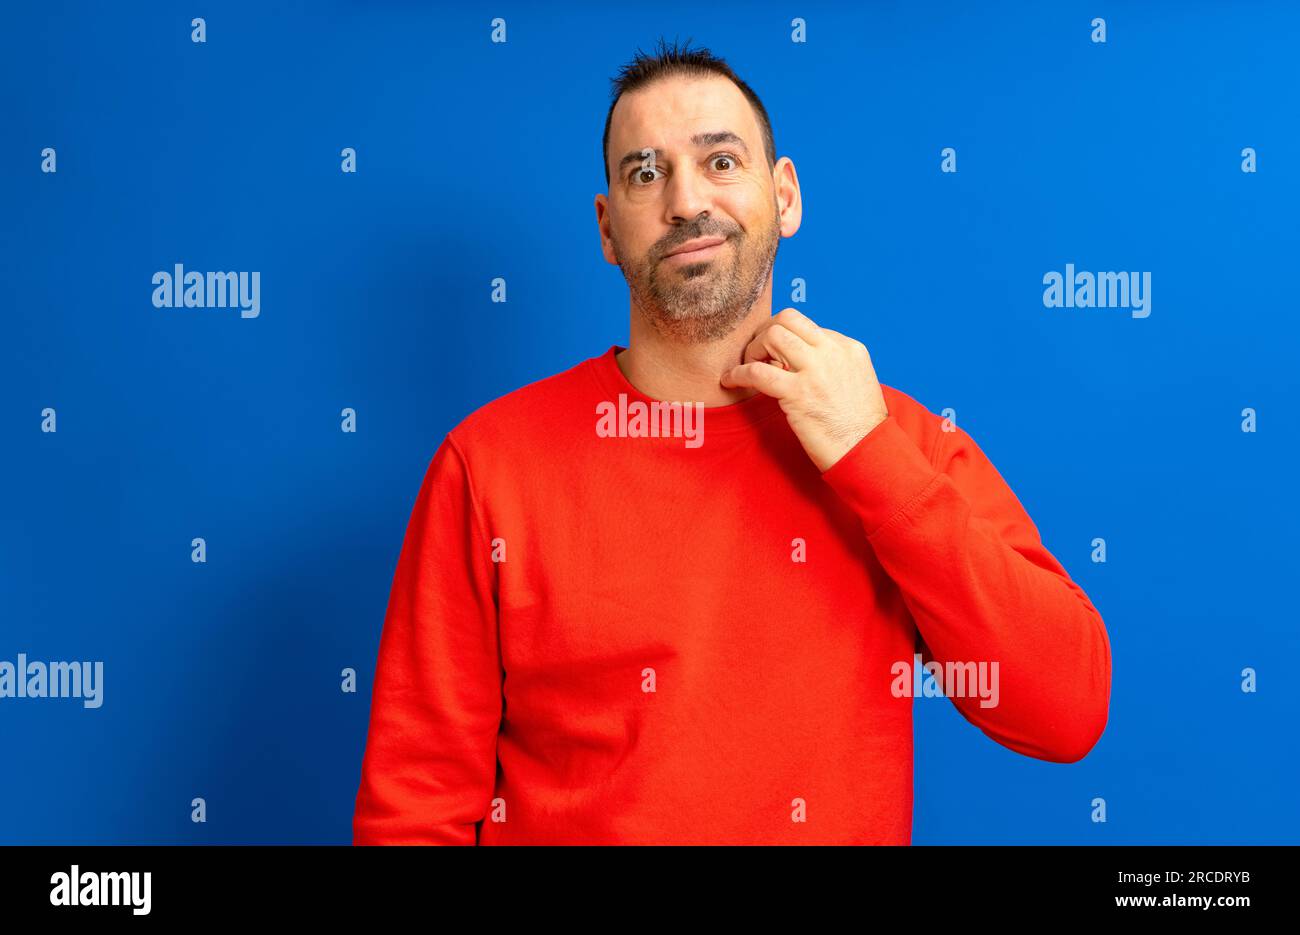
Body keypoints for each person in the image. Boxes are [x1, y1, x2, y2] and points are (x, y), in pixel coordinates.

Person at [352, 38, 1111, 845]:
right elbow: (417, 805)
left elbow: (1065, 709)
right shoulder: (490, 462)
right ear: (608, 228)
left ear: (784, 196)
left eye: (721, 161)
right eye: (646, 173)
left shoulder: (898, 441)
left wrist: (869, 456)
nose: (685, 202)